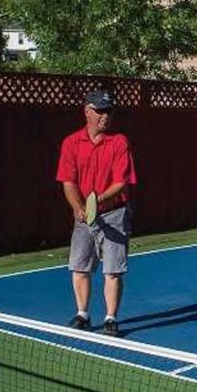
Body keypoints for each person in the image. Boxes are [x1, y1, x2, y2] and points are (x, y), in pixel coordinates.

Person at [56, 90, 137, 336]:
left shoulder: (119, 142)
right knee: (80, 268)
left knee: (112, 270)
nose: (105, 116)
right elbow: (68, 182)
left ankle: (111, 318)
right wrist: (78, 208)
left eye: (109, 112)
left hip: (114, 213)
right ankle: (83, 314)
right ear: (87, 112)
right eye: (100, 111)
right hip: (83, 218)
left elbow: (121, 182)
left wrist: (94, 203)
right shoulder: (71, 143)